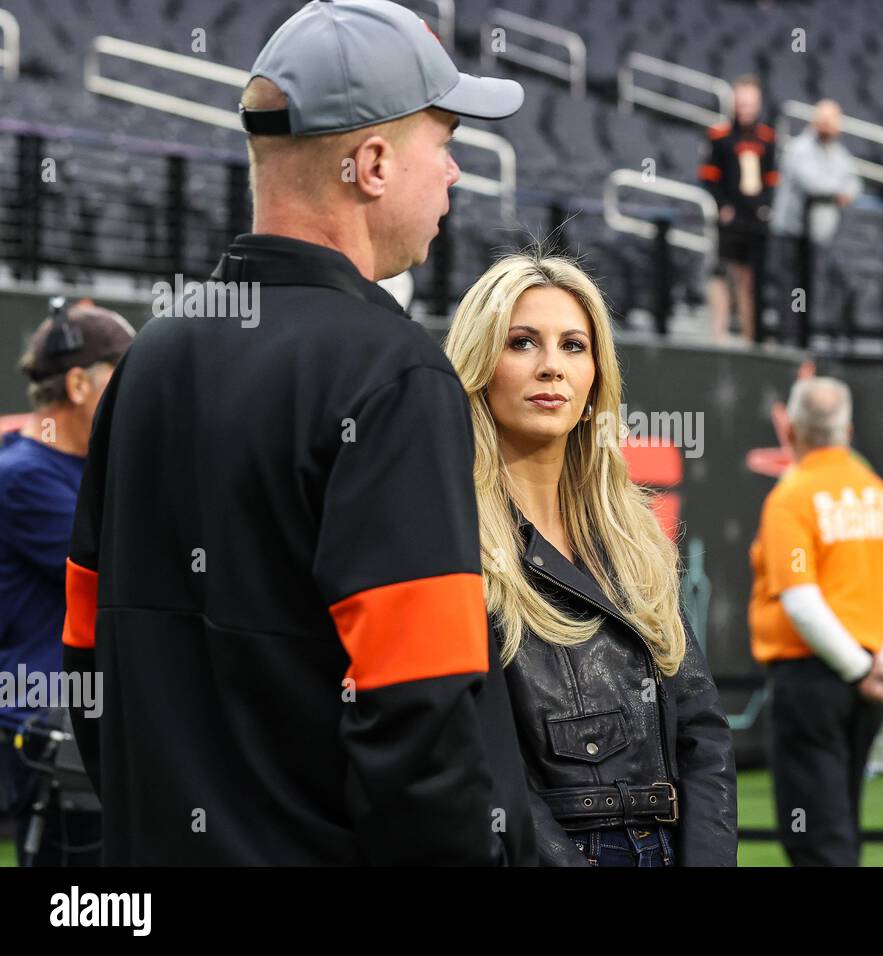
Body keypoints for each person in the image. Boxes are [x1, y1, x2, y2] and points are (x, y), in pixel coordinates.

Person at [61, 0, 534, 865]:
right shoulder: (394, 375)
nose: (456, 172)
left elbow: (88, 655)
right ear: (374, 163)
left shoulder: (148, 359)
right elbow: (420, 711)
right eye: (444, 139)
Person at [443, 250, 737, 867]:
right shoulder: (446, 535)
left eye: (574, 346)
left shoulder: (631, 538)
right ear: (478, 365)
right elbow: (474, 762)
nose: (552, 366)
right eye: (522, 342)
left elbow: (702, 728)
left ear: (597, 375)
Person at [749, 376, 883, 866]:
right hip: (868, 680)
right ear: (848, 430)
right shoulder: (880, 495)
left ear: (789, 430)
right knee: (842, 824)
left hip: (813, 677)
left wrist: (858, 668)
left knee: (817, 837)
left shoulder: (792, 497)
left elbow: (801, 600)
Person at [0, 298, 133, 865]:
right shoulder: (23, 476)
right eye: (124, 378)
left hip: (78, 726)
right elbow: (127, 574)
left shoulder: (76, 469)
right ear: (79, 384)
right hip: (44, 732)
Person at [769, 99, 861, 345]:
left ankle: (809, 338)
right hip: (790, 234)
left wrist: (842, 190)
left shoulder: (837, 152)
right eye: (826, 120)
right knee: (792, 291)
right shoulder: (799, 149)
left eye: (834, 121)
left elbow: (853, 183)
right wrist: (838, 191)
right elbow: (812, 183)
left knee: (812, 289)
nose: (830, 126)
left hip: (816, 237)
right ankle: (789, 341)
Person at [698, 75, 779, 343]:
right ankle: (718, 336)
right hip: (727, 221)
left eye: (750, 103)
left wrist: (764, 207)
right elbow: (708, 177)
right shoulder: (719, 136)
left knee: (749, 282)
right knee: (721, 275)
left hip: (755, 221)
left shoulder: (767, 138)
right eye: (741, 102)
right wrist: (723, 207)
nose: (745, 107)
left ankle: (749, 338)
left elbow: (771, 180)